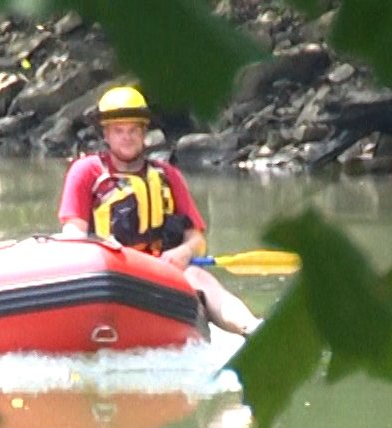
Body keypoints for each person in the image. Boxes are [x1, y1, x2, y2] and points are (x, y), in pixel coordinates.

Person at [58, 86, 261, 336]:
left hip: (160, 272)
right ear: (106, 135)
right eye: (119, 130)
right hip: (110, 272)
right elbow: (73, 234)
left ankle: (251, 327)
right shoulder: (87, 172)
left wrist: (183, 252)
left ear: (144, 133)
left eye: (134, 130)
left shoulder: (167, 176)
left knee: (198, 276)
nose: (127, 137)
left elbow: (196, 239)